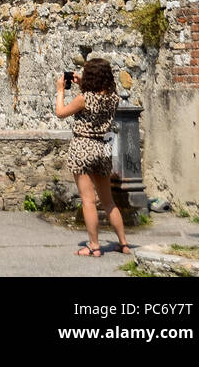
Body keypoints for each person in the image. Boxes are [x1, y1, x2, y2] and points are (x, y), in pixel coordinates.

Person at [55, 58, 132, 257]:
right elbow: (99, 96)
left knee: (88, 201)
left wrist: (60, 90)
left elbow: (60, 112)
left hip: (83, 147)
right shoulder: (113, 98)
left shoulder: (83, 98)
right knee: (108, 202)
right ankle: (123, 243)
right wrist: (84, 83)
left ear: (91, 76)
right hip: (102, 147)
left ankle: (93, 245)